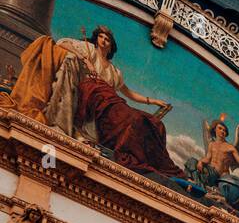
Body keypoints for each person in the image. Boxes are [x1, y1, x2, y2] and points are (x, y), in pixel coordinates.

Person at [0, 25, 181, 178]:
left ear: (111, 46)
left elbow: (130, 94)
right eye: (101, 37)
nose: (103, 41)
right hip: (91, 99)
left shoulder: (114, 72)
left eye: (107, 39)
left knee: (148, 121)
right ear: (96, 39)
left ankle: (154, 160)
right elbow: (62, 42)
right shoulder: (88, 50)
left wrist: (154, 101)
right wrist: (83, 58)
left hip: (111, 103)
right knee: (134, 121)